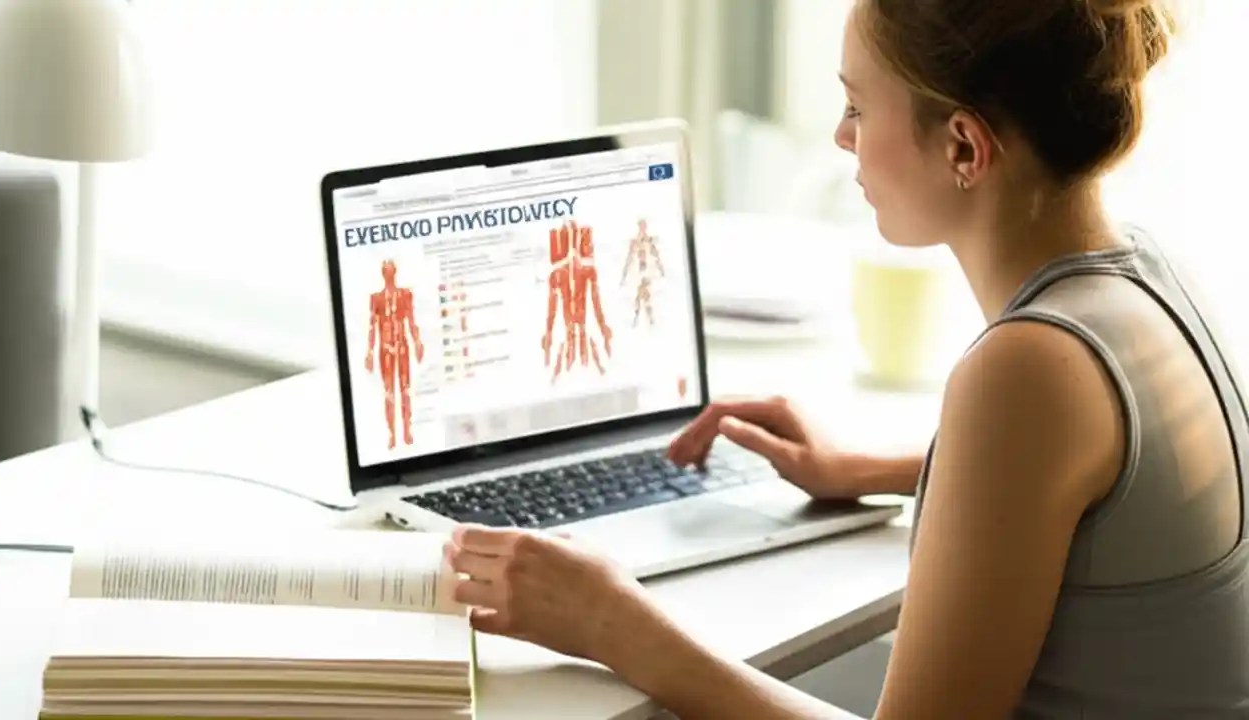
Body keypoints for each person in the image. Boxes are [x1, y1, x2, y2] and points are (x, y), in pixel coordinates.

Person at [443, 0, 1249, 717]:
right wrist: (873, 467)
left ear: (965, 147)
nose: (841, 135)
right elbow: (1098, 491)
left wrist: (612, 623)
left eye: (858, 107)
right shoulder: (1144, 275)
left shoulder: (1028, 370)